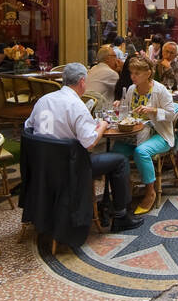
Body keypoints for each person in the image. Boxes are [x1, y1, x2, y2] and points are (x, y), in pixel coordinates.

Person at [26, 64, 141, 231]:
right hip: (70, 166)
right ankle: (121, 216)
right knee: (120, 161)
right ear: (81, 82)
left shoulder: (44, 100)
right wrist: (102, 125)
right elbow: (90, 142)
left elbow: (28, 128)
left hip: (41, 164)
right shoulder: (76, 105)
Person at [112, 57, 177, 215]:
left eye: (137, 73)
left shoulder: (160, 90)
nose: (133, 76)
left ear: (148, 73)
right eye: (131, 73)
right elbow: (128, 112)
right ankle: (127, 188)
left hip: (159, 133)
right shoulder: (131, 89)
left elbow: (171, 115)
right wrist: (120, 106)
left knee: (141, 152)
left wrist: (152, 110)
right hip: (135, 133)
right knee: (115, 152)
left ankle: (150, 192)